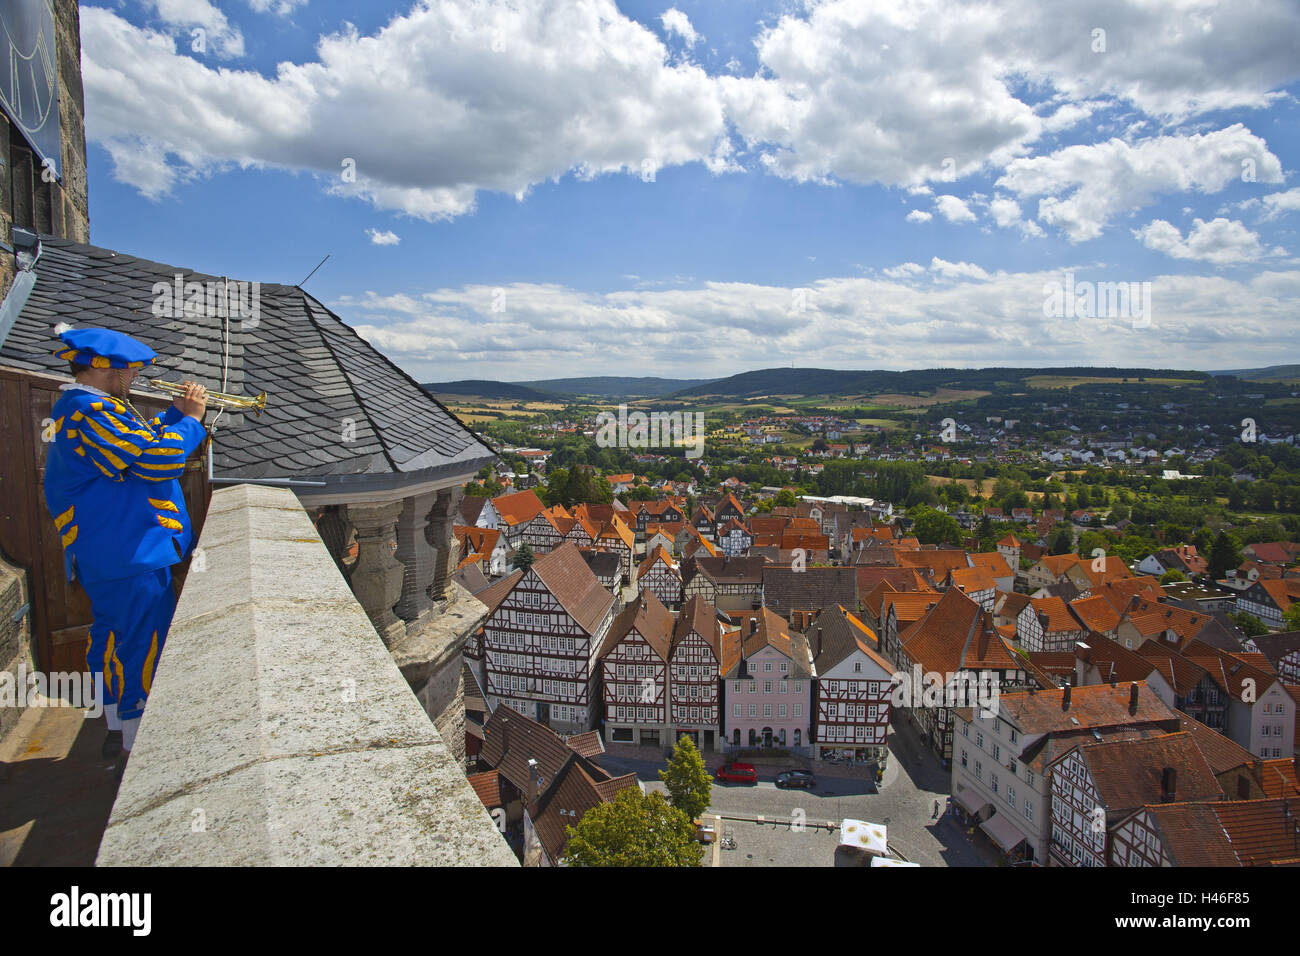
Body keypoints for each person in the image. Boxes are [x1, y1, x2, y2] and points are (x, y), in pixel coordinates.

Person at [43, 326, 209, 758]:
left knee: (112, 637)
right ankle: (141, 743)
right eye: (131, 370)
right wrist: (191, 421)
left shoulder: (88, 407)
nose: (135, 377)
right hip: (128, 552)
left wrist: (172, 416)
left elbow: (135, 447)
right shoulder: (90, 411)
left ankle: (117, 723)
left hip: (114, 549)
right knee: (143, 643)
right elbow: (156, 461)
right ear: (108, 369)